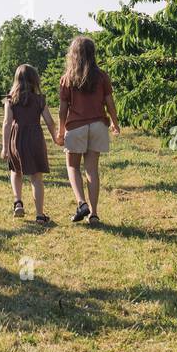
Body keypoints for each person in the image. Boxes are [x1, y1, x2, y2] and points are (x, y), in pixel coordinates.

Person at [57, 37, 120, 225]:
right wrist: (115, 123)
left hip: (76, 126)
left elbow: (62, 109)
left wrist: (61, 131)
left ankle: (81, 203)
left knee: (73, 167)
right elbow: (110, 103)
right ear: (93, 54)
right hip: (98, 125)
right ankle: (93, 214)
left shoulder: (67, 78)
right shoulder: (102, 76)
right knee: (92, 170)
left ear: (73, 54)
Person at [1, 64, 62, 224]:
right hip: (35, 137)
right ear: (35, 80)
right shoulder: (40, 100)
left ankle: (18, 202)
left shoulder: (10, 100)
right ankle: (40, 215)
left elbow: (7, 123)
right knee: (36, 178)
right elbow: (50, 121)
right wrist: (56, 137)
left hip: (17, 137)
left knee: (16, 170)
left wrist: (5, 147)